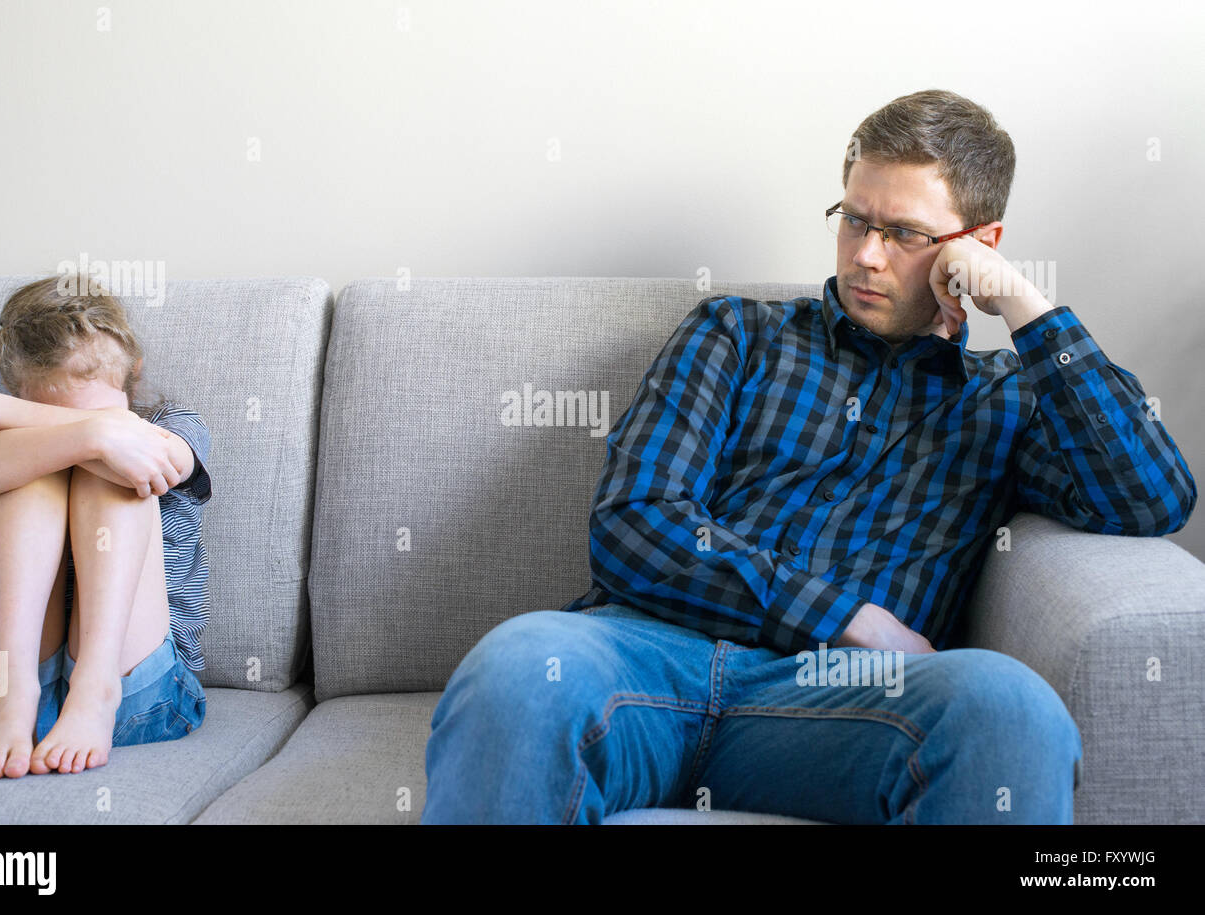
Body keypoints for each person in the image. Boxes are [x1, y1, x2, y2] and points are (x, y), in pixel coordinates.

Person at [422, 89, 1197, 824]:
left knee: (1009, 707)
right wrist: (848, 617)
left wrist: (1027, 307)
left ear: (978, 245)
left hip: (841, 708)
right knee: (520, 667)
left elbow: (1151, 498)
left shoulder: (1007, 402)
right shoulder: (736, 332)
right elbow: (633, 523)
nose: (865, 255)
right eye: (854, 219)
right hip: (647, 659)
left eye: (904, 234)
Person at [0, 275, 213, 778]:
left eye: (98, 417)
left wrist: (2, 413)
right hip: (0, 696)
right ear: (20, 395)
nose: (93, 431)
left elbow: (162, 463)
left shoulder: (173, 424)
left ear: (133, 373)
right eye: (46, 414)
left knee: (119, 473)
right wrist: (84, 435)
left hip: (137, 687)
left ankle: (94, 685)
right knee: (31, 472)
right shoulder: (7, 430)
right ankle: (15, 693)